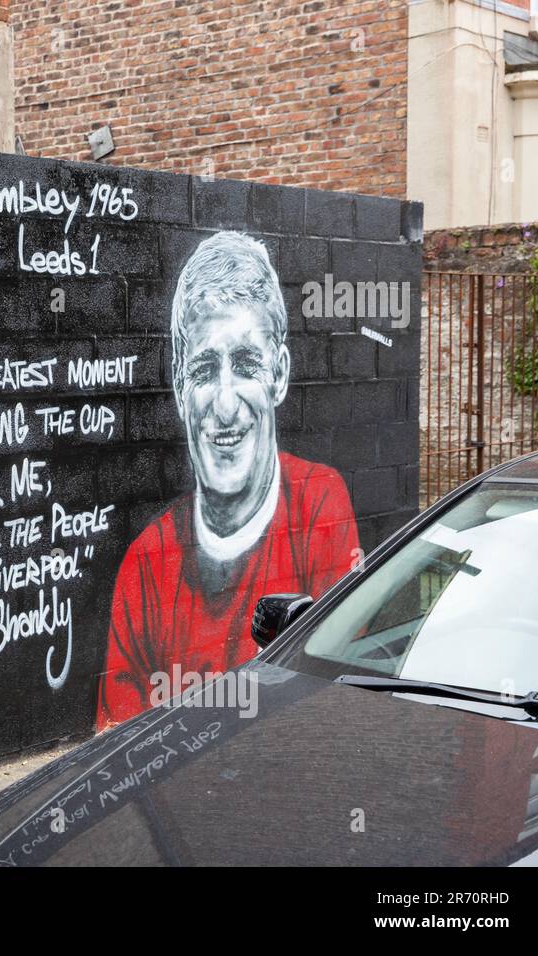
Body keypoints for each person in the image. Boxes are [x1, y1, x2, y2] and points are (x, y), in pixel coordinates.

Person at [97, 231, 359, 729]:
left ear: (279, 375)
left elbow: (333, 703)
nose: (224, 404)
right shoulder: (145, 566)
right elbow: (117, 747)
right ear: (180, 387)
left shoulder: (320, 504)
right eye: (203, 370)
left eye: (245, 365)